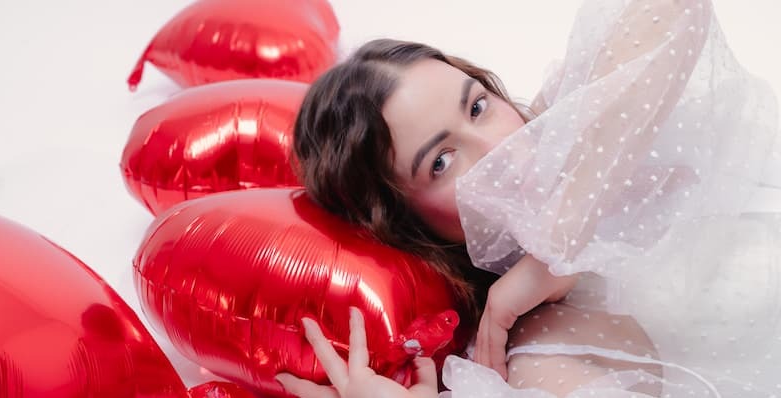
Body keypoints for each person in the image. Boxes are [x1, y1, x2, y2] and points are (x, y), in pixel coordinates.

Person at [278, 0, 781, 396]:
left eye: (477, 106)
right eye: (441, 162)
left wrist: (556, 246)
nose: (498, 148)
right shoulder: (535, 345)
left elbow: (673, 7)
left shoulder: (572, 134)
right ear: (405, 226)